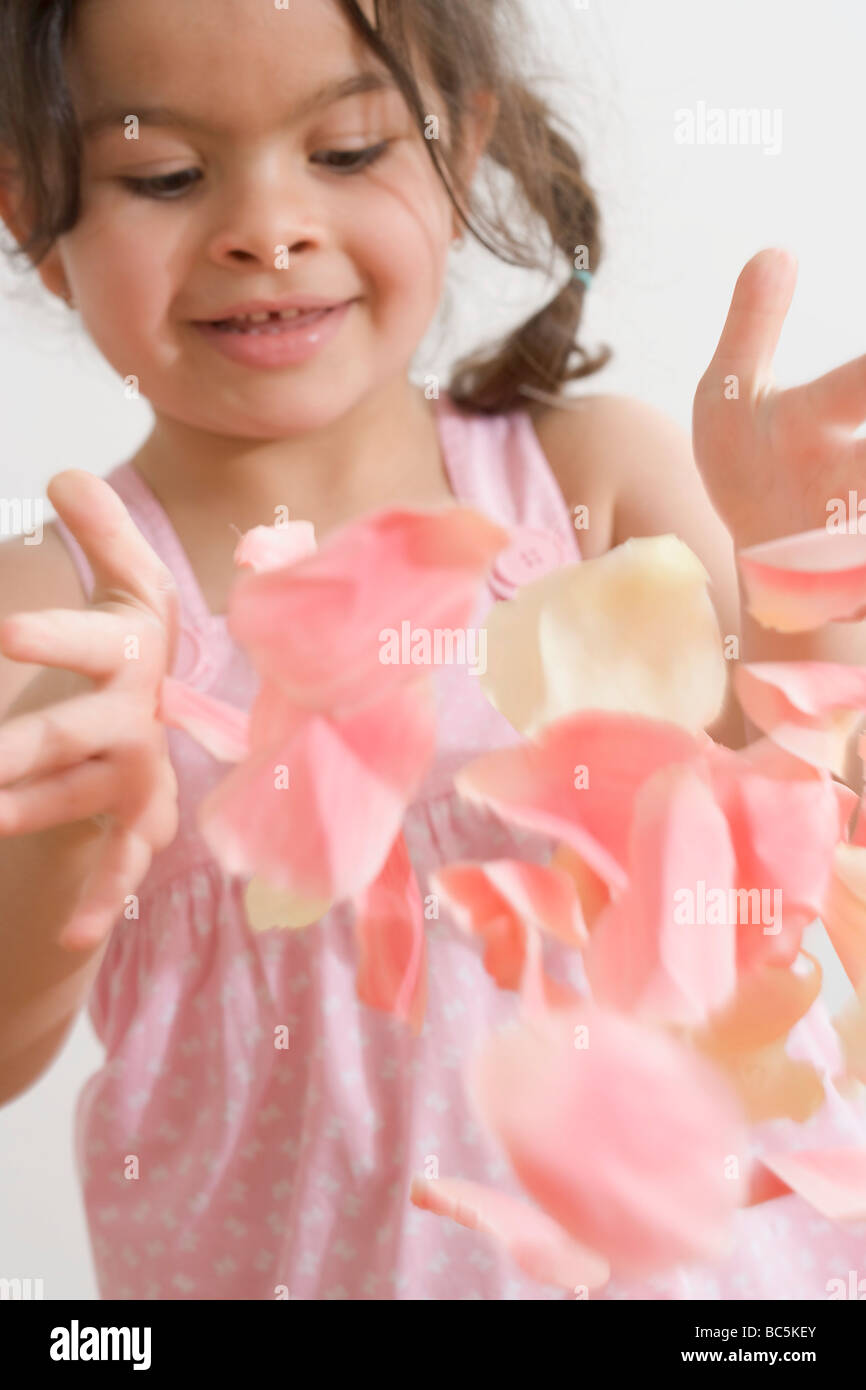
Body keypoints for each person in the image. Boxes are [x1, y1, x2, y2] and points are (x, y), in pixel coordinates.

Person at [0, 0, 864, 1300]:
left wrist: (811, 601)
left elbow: (790, 871)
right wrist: (68, 852)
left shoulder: (592, 489)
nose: (268, 226)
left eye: (345, 151)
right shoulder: (58, 608)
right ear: (32, 215)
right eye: (166, 174)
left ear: (456, 158)